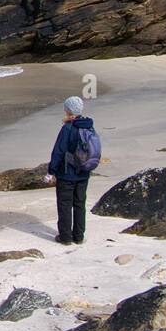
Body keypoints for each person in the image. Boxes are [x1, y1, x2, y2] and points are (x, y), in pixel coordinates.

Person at [44, 95, 100, 245]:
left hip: (67, 174)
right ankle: (79, 236)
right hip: (84, 173)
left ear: (68, 110)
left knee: (65, 205)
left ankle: (66, 237)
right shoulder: (89, 126)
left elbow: (59, 151)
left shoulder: (68, 128)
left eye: (65, 108)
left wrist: (51, 171)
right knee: (80, 204)